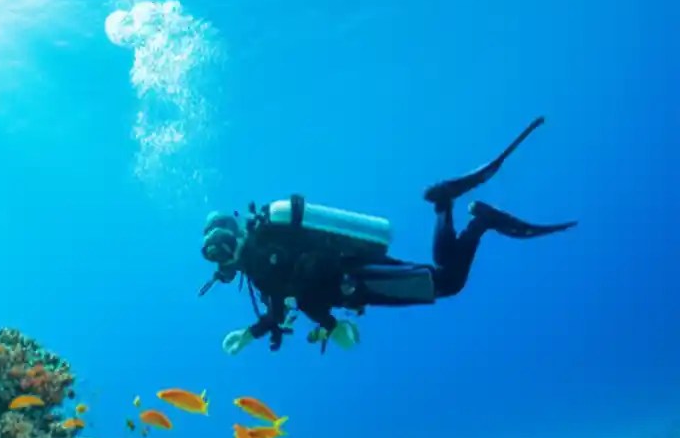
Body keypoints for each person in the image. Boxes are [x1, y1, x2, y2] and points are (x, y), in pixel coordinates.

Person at [200, 116, 577, 353]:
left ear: (231, 238)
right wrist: (254, 333)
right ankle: (448, 206)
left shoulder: (263, 256)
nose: (221, 257)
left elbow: (300, 290)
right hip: (360, 278)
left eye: (220, 248)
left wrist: (331, 326)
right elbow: (286, 300)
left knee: (446, 283)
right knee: (441, 279)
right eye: (214, 253)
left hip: (360, 280)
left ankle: (474, 218)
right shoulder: (263, 252)